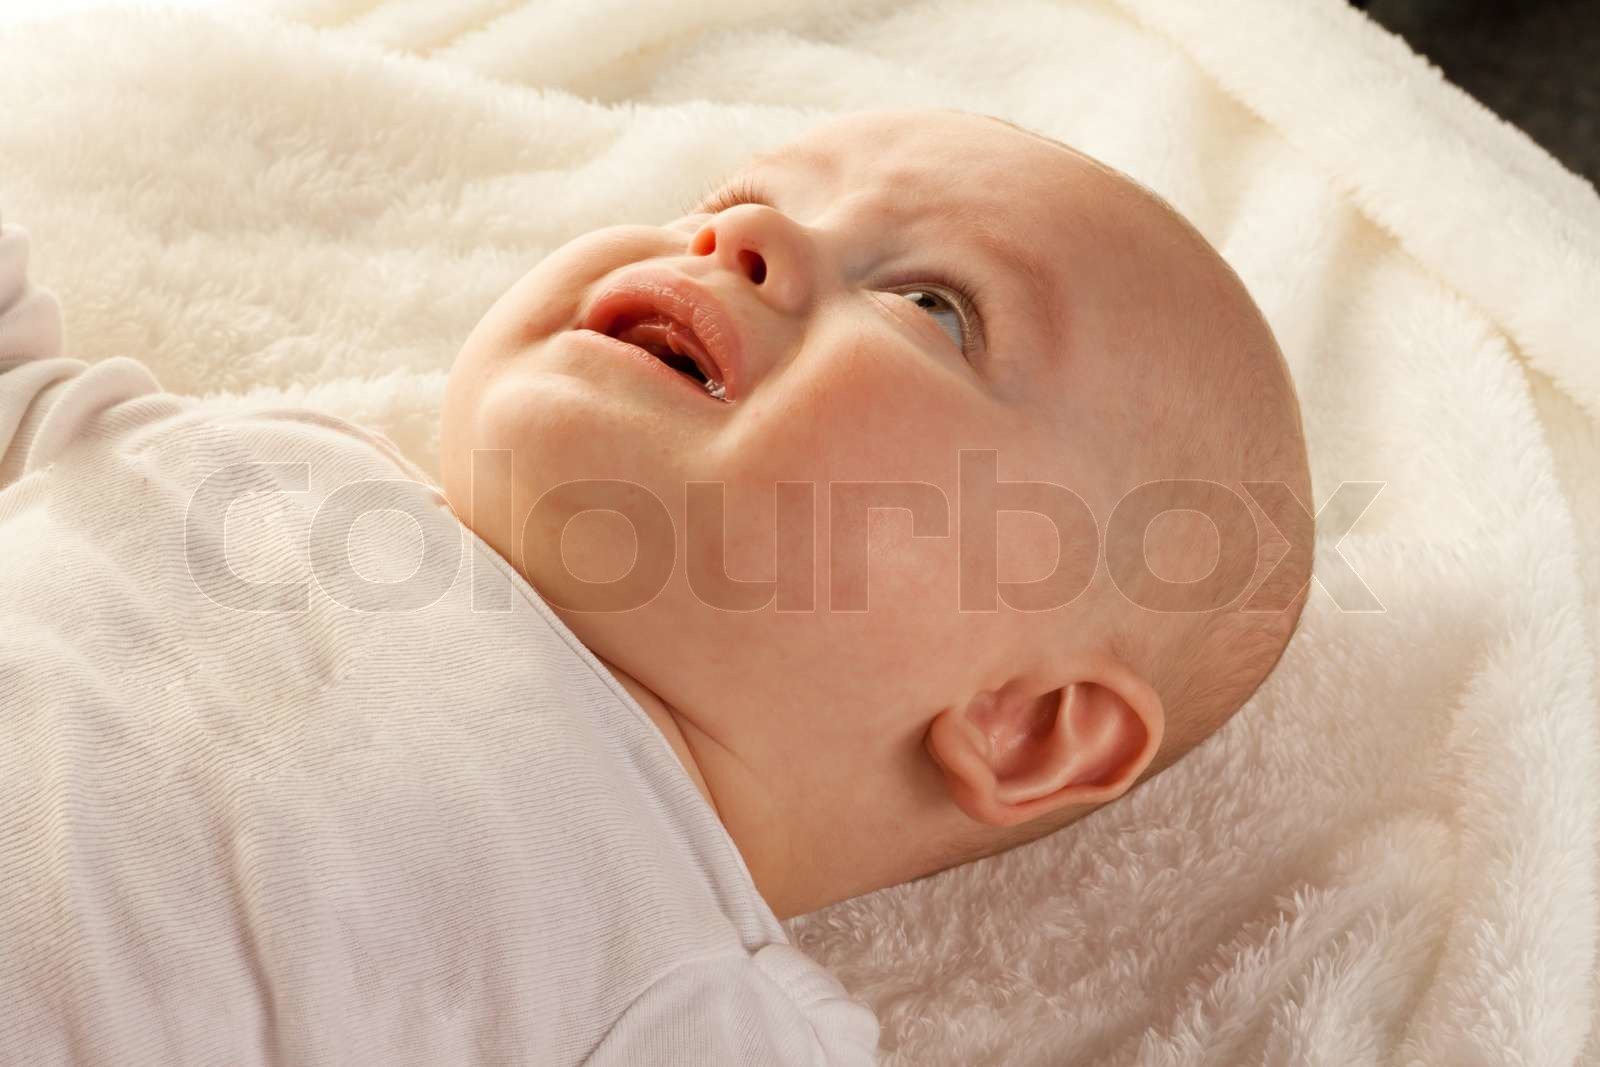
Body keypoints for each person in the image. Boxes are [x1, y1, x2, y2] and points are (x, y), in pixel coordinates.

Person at [0, 108, 1312, 1065]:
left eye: (934, 307)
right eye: (731, 196)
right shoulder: (258, 472)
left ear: (1020, 723)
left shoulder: (672, 999)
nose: (741, 234)